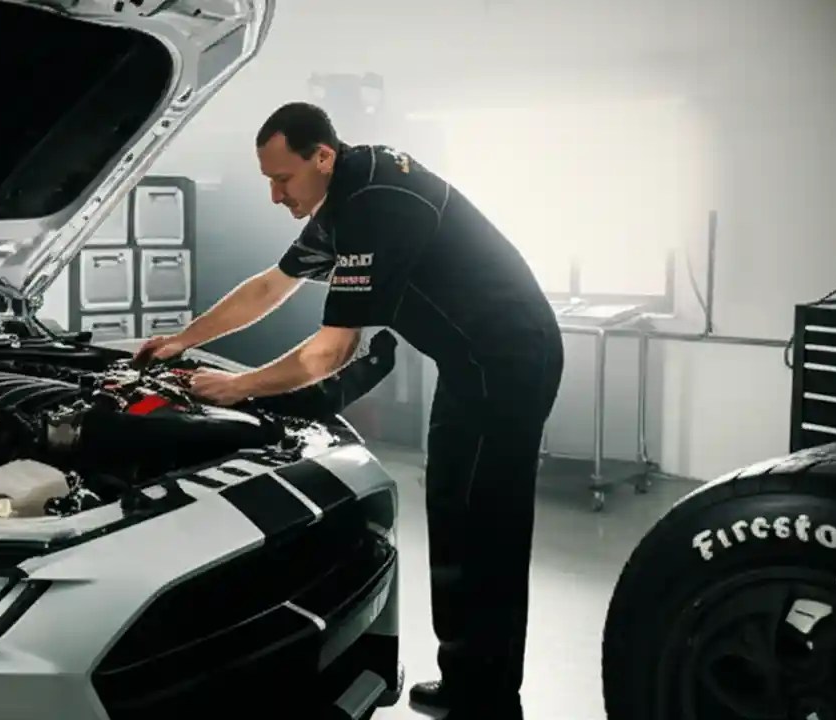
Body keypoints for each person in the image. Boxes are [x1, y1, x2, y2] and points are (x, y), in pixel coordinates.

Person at [133, 101, 564, 719]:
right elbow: (271, 285)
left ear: (323, 156)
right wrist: (185, 339)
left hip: (508, 366)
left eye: (283, 179)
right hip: (472, 367)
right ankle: (469, 675)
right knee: (450, 505)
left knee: (485, 524)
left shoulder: (375, 206)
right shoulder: (346, 195)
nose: (276, 195)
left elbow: (330, 352)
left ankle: (488, 700)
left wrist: (238, 388)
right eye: (269, 182)